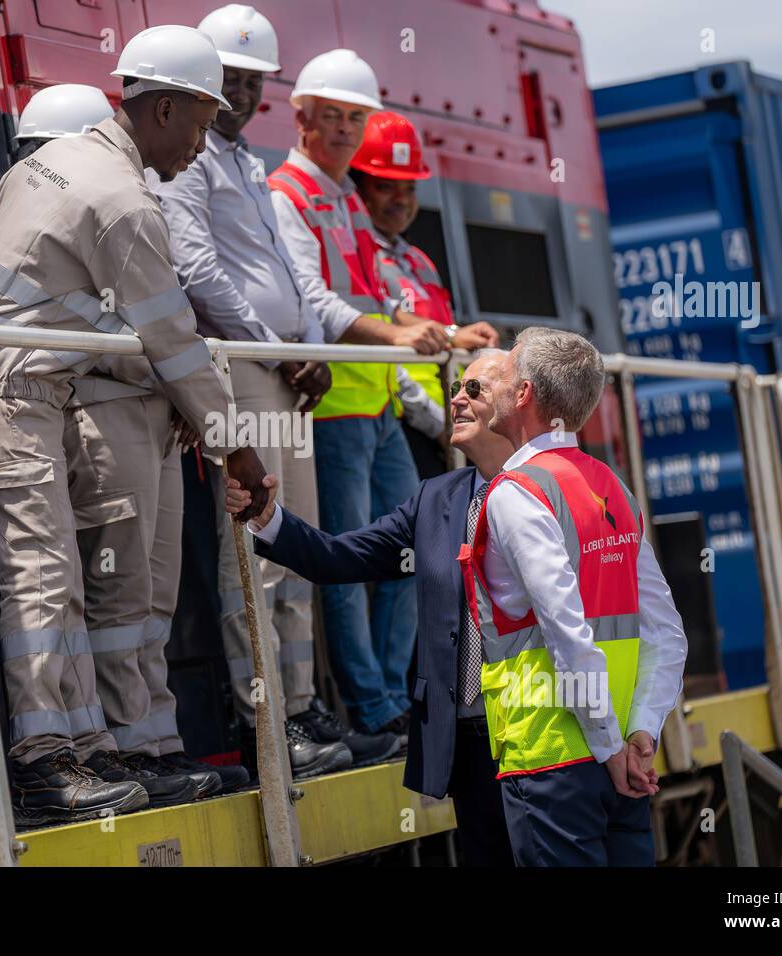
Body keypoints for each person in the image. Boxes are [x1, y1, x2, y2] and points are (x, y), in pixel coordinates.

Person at [0, 25, 270, 825]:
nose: (202, 144)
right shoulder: (119, 198)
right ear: (160, 109)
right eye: (198, 123)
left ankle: (86, 750)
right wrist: (241, 450)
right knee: (45, 574)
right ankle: (46, 763)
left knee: (59, 576)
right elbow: (174, 340)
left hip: (18, 385)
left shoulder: (64, 161)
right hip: (12, 388)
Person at [154, 4, 394, 777]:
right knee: (256, 554)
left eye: (258, 81)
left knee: (296, 548)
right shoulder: (190, 163)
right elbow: (196, 268)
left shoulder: (248, 164)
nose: (249, 94)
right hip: (247, 370)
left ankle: (301, 706)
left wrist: (309, 347)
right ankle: (271, 719)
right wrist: (275, 348)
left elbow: (292, 275)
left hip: (283, 369)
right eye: (236, 80)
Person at [222, 351, 516, 864]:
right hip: (469, 744)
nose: (456, 397)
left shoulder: (560, 488)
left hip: (544, 742)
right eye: (456, 388)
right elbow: (340, 557)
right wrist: (268, 518)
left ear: (521, 401)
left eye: (475, 389)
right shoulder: (436, 500)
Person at [268, 48, 448, 741]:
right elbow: (314, 299)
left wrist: (428, 330)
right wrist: (400, 336)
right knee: (345, 566)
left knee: (416, 555)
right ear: (302, 117)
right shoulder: (287, 192)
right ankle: (371, 710)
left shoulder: (344, 197)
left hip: (376, 407)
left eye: (354, 118)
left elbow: (367, 299)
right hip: (337, 409)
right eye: (332, 117)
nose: (344, 130)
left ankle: (397, 697)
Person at [468, 327, 687, 866]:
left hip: (550, 761)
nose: (487, 389)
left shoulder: (517, 494)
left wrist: (612, 747)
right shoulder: (611, 485)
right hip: (622, 760)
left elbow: (568, 633)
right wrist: (640, 733)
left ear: (522, 395)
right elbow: (667, 634)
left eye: (503, 378)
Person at [348, 110, 500, 478]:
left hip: (449, 427)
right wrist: (439, 423)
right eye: (386, 186)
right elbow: (389, 347)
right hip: (408, 427)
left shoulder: (419, 261)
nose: (401, 199)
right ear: (356, 188)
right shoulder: (355, 257)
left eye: (410, 188)